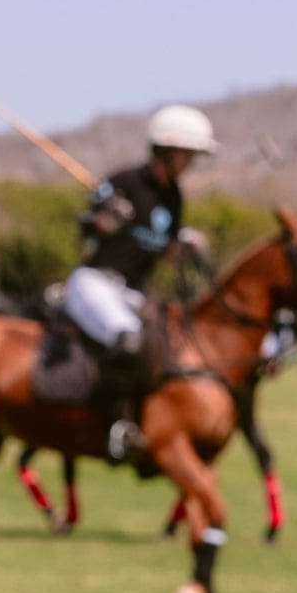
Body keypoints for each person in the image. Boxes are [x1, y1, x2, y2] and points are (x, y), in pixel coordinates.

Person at [63, 105, 216, 461]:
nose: (192, 161)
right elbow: (87, 231)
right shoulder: (123, 182)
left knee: (167, 344)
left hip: (134, 292)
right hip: (96, 283)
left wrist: (187, 245)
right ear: (167, 149)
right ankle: (116, 425)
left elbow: (165, 251)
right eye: (189, 154)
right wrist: (106, 218)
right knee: (128, 339)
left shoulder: (174, 197)